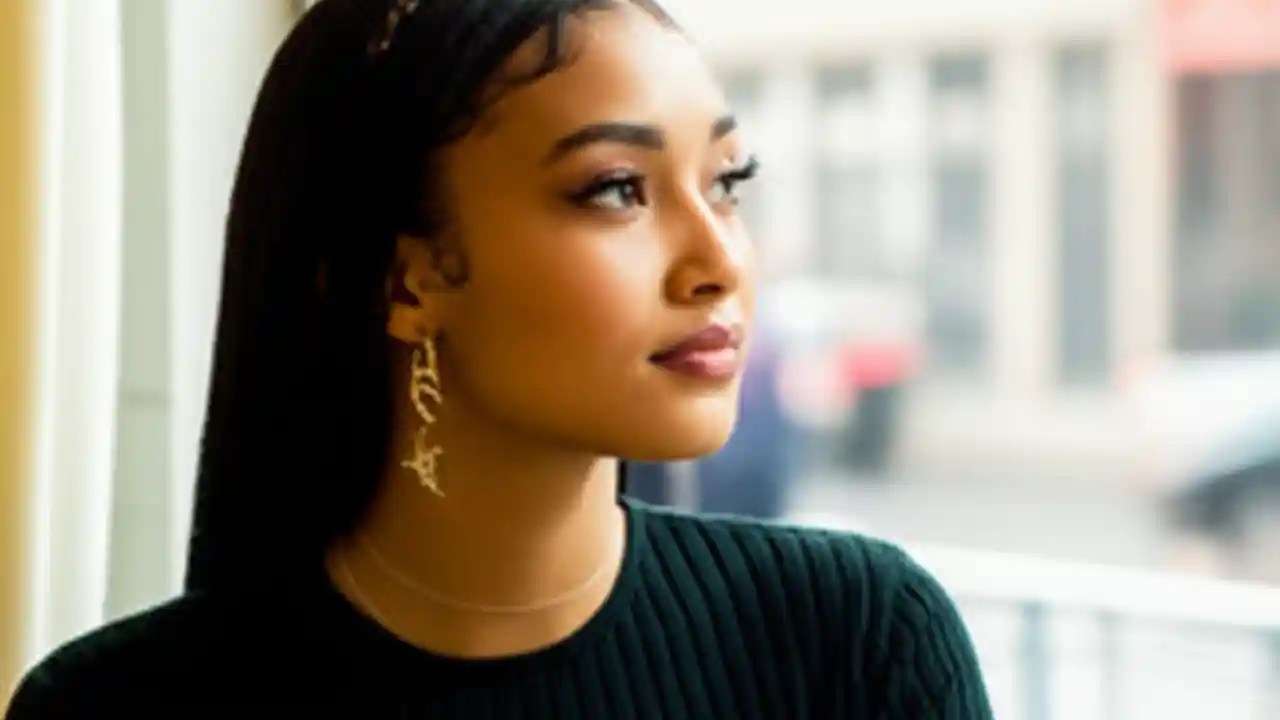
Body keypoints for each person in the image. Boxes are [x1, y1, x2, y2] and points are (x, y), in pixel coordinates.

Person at [6, 0, 993, 716]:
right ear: (405, 283)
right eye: (614, 189)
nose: (718, 260)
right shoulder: (109, 709)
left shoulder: (858, 642)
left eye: (725, 179)